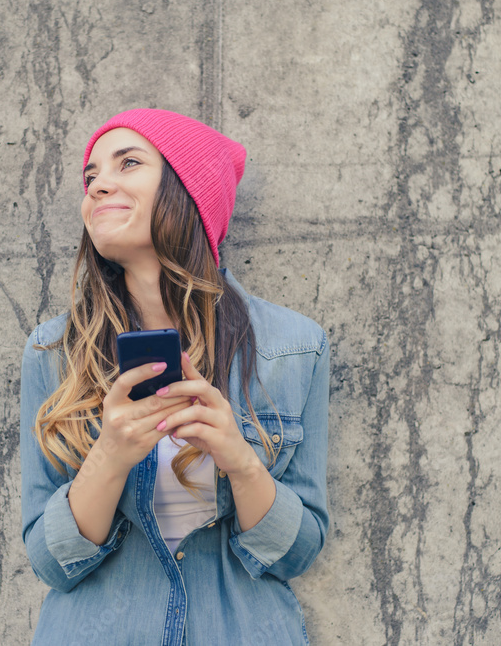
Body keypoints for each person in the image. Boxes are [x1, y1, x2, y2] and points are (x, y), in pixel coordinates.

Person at [20, 108, 330, 645]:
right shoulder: (53, 351)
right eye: (90, 177)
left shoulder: (295, 347)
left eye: (128, 163)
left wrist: (238, 458)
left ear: (188, 191)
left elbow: (297, 551)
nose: (98, 186)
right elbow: (51, 561)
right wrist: (111, 453)